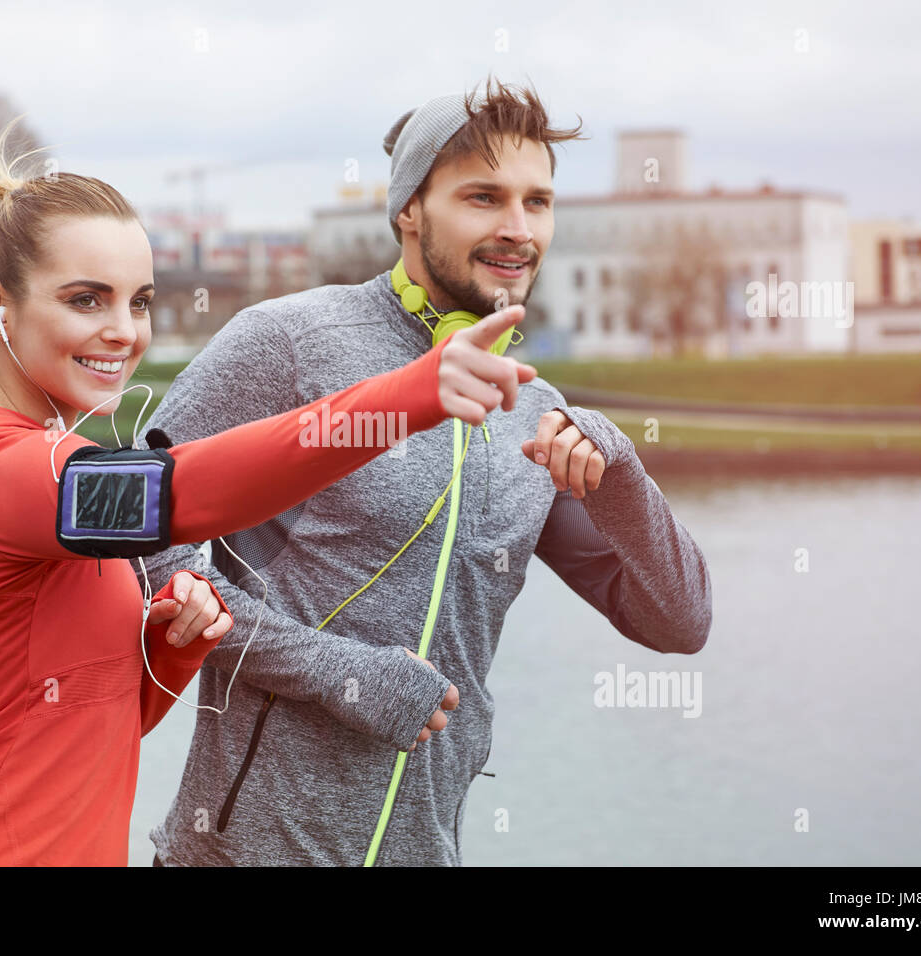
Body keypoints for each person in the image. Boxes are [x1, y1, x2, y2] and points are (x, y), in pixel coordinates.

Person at [0, 126, 537, 866]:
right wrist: (410, 395)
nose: (123, 332)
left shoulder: (53, 477)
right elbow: (183, 490)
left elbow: (79, 733)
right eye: (87, 300)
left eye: (139, 301)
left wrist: (169, 647)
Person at [141, 77, 715, 867]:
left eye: (538, 202)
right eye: (483, 198)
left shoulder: (534, 411)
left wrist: (619, 470)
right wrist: (334, 672)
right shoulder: (287, 340)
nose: (519, 229)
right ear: (409, 208)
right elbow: (130, 535)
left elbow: (679, 620)